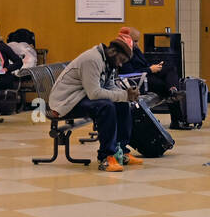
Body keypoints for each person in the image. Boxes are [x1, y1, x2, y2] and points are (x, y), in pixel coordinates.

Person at [47, 38, 143, 171]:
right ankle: (106, 157)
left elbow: (109, 86)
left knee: (123, 104)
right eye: (121, 60)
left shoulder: (108, 61)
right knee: (106, 106)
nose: (121, 65)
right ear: (113, 52)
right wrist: (124, 95)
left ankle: (121, 152)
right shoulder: (92, 60)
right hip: (65, 103)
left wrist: (126, 95)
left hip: (80, 97)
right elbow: (94, 94)